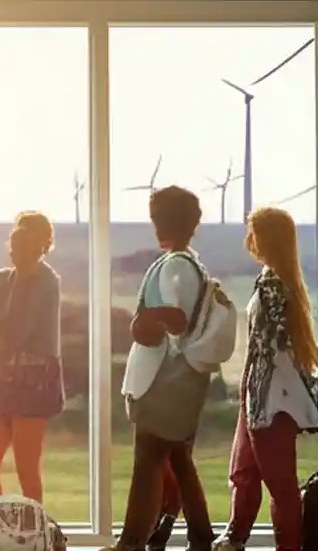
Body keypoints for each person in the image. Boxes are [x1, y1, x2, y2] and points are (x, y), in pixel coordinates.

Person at [108, 186, 214, 551]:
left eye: (158, 219)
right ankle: (201, 537)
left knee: (148, 462)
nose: (154, 226)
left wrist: (142, 321)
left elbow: (175, 321)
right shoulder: (193, 265)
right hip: (182, 381)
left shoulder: (174, 266)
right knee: (180, 461)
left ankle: (132, 541)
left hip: (164, 380)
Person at [214, 207, 318, 551]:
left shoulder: (274, 284)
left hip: (271, 397)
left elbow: (270, 344)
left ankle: (283, 546)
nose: (251, 239)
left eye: (257, 232)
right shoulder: (275, 279)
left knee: (279, 483)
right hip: (262, 393)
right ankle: (235, 536)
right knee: (245, 470)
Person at [0, 212, 64, 502]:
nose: (18, 251)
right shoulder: (0, 279)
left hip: (32, 384)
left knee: (27, 471)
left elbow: (19, 329)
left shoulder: (47, 281)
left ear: (41, 245)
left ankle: (37, 539)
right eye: (15, 242)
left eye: (27, 242)